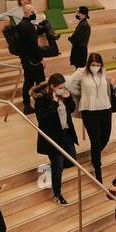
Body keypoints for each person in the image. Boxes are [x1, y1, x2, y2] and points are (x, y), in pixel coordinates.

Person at [67, 51, 116, 181]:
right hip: (89, 111)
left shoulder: (103, 72)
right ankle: (97, 168)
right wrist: (83, 93)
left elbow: (108, 87)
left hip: (105, 109)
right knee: (95, 140)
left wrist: (113, 84)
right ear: (89, 64)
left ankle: (95, 157)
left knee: (105, 137)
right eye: (93, 64)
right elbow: (70, 85)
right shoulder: (81, 72)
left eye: (98, 64)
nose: (96, 67)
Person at [33, 73, 78, 205]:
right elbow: (43, 119)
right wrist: (53, 103)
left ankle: (51, 168)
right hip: (52, 138)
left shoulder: (63, 94)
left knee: (71, 161)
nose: (62, 89)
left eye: (63, 87)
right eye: (59, 87)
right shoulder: (41, 99)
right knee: (58, 165)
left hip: (66, 134)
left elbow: (71, 110)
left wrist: (68, 99)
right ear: (52, 86)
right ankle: (57, 194)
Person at [17, 3, 46, 114]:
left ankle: (27, 105)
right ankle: (41, 105)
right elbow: (33, 46)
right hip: (33, 60)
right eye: (32, 12)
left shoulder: (21, 25)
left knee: (28, 82)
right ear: (26, 13)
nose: (34, 14)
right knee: (40, 83)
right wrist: (41, 59)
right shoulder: (28, 26)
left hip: (25, 60)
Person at [68, 5, 91, 70]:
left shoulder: (83, 25)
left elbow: (75, 38)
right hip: (80, 49)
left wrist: (70, 38)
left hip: (80, 50)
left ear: (84, 14)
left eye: (78, 13)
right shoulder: (83, 23)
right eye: (77, 12)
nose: (77, 14)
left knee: (79, 69)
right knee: (78, 68)